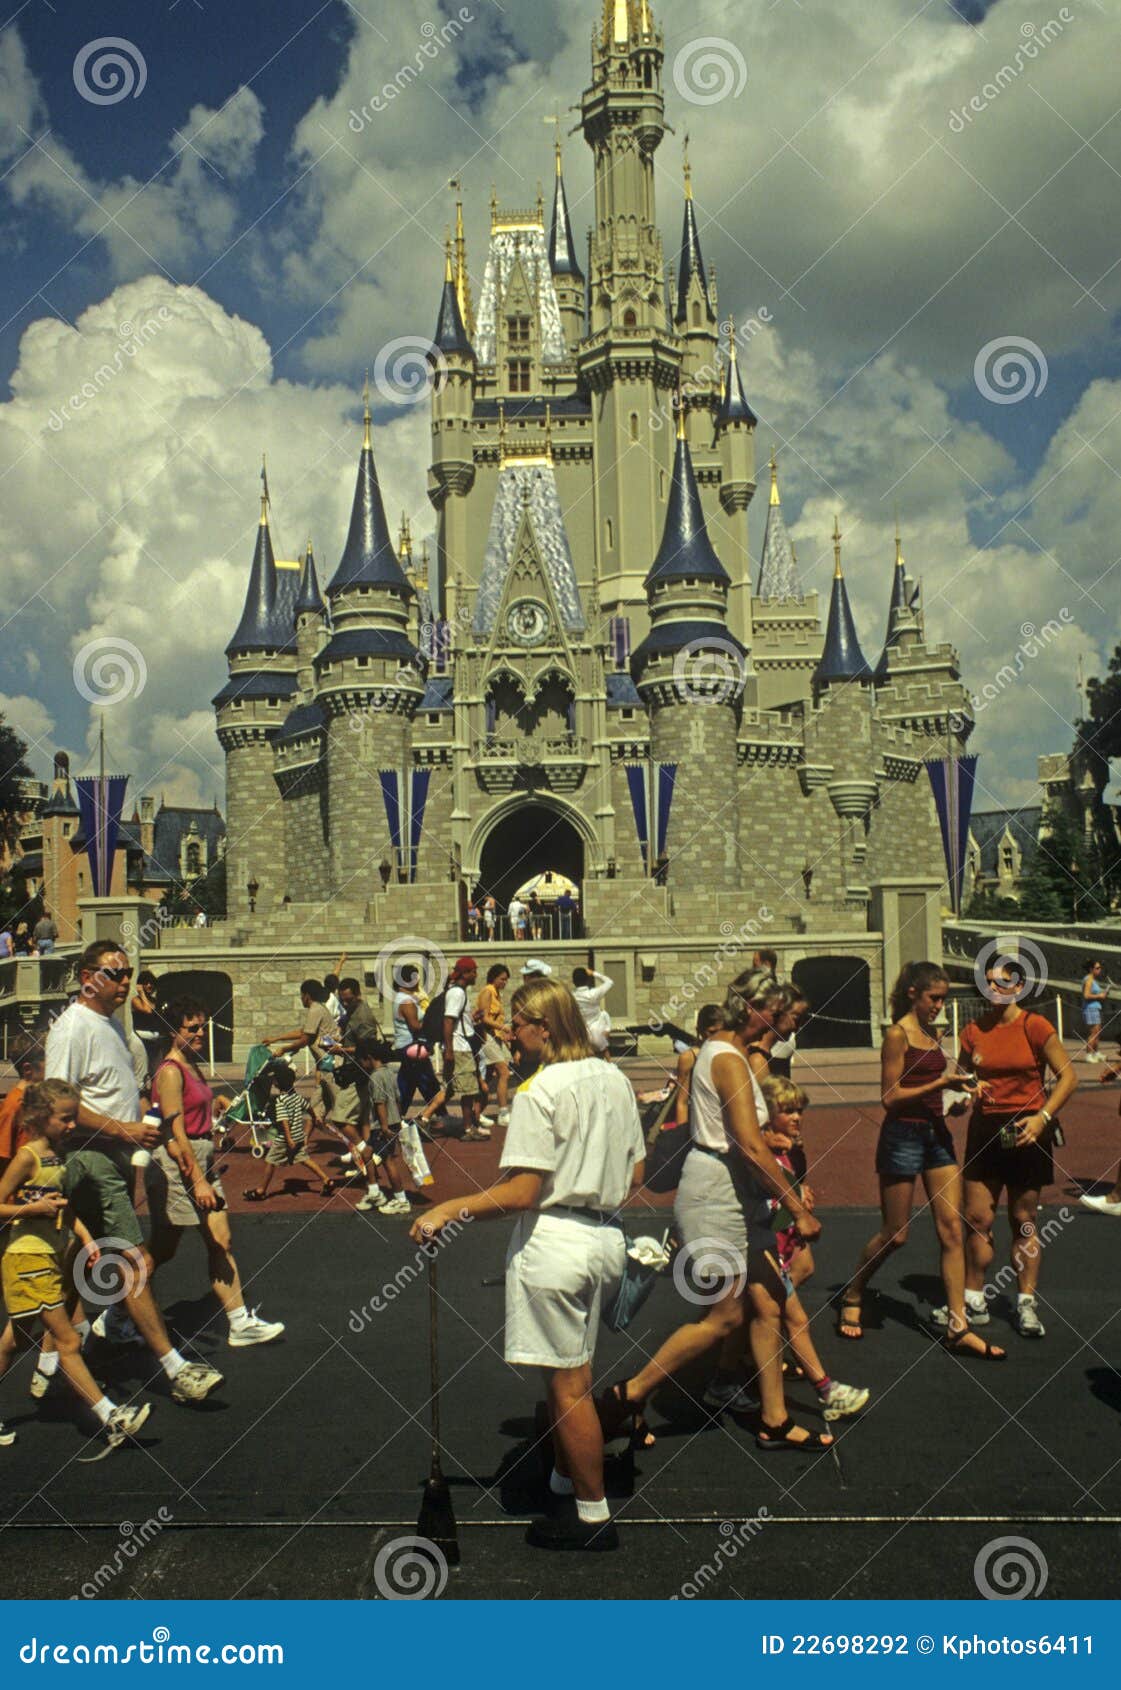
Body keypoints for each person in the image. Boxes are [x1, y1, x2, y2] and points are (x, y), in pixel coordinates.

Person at [411, 977, 647, 1553]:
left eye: (516, 1024)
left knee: (568, 1385)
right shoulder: (614, 1078)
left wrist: (449, 1207)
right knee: (572, 1371)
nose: (509, 1033)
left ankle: (592, 1517)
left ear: (544, 1027)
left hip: (558, 1243)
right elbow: (637, 1173)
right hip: (605, 1238)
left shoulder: (539, 1092)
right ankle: (565, 1481)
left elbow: (520, 1192)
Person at [601, 972, 830, 1454]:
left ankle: (774, 1418)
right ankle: (629, 1393)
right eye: (771, 1011)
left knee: (767, 1302)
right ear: (750, 1008)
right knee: (725, 1316)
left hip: (731, 1191)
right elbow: (745, 1143)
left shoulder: (727, 1055)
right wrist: (795, 1205)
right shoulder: (726, 1059)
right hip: (716, 1195)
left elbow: (741, 1135)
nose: (775, 1023)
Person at [46, 942, 223, 1403]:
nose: (125, 982)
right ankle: (175, 1367)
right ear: (89, 976)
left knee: (71, 1270)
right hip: (93, 1158)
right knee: (130, 1260)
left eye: (128, 974)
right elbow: (56, 1104)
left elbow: (109, 1089)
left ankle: (49, 1363)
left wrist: (139, 1118)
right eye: (115, 973)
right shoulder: (72, 1028)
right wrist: (121, 1128)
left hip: (119, 1156)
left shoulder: (110, 1025)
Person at [835, 962, 998, 1355]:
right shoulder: (897, 1034)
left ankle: (957, 1326)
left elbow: (932, 1095)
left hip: (935, 1133)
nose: (939, 1006)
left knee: (952, 1230)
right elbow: (889, 1097)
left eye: (943, 998)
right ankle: (853, 1293)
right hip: (902, 1135)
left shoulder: (931, 1032)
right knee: (896, 1234)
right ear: (913, 993)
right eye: (934, 998)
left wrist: (958, 1101)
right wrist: (941, 1081)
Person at [0, 1079, 152, 1450]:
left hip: (48, 1259)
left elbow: (61, 1207)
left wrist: (84, 1238)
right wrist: (32, 1209)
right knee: (68, 1339)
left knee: (13, 1341)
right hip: (26, 1259)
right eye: (65, 1119)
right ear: (39, 1117)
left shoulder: (57, 1157)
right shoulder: (27, 1157)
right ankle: (111, 1417)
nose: (72, 1126)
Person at [148, 998, 284, 1348]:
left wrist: (216, 1102)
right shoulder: (169, 1072)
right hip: (183, 1160)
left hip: (203, 1154)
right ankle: (119, 1312)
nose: (199, 1034)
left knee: (221, 1241)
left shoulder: (192, 1066)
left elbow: (195, 1106)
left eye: (202, 1028)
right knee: (163, 1249)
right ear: (172, 1031)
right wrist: (197, 1180)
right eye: (192, 1028)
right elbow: (175, 1131)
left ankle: (239, 1324)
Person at [956, 958, 1077, 1340]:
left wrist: (1042, 1117)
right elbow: (962, 1081)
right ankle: (973, 1296)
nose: (994, 990)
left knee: (1023, 1219)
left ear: (1018, 986)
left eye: (1002, 983)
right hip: (986, 1129)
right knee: (977, 1218)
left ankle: (1025, 1301)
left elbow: (1068, 1077)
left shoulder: (1034, 1026)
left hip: (1026, 1128)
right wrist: (960, 1096)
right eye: (988, 983)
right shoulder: (973, 1030)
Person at [244, 1061, 337, 1202]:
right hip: (298, 1136)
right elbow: (308, 1107)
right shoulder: (296, 1096)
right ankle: (327, 1180)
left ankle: (261, 1190)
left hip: (285, 1139)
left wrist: (288, 1139)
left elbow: (284, 1121)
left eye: (275, 1080)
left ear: (278, 1083)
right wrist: (315, 1117)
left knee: (270, 1161)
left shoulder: (281, 1101)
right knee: (305, 1159)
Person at [262, 979, 341, 1133]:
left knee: (341, 1110)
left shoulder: (315, 1010)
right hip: (325, 1068)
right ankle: (303, 1145)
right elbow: (303, 1032)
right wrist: (276, 1039)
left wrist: (284, 1049)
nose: (301, 998)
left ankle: (360, 1146)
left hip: (331, 1065)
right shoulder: (318, 1009)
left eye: (301, 995)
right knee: (316, 1109)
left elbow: (305, 1039)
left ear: (307, 995)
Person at [354, 1039, 411, 1215]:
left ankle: (401, 1200)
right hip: (392, 1121)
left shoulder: (375, 1076)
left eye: (362, 1060)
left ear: (369, 1058)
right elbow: (397, 1098)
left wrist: (385, 1126)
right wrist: (399, 1119)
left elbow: (380, 1103)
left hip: (382, 1125)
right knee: (367, 1152)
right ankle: (374, 1192)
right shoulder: (390, 1073)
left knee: (389, 1161)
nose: (361, 1064)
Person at [443, 957, 486, 1141]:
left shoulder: (460, 993)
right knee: (468, 1091)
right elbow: (448, 1020)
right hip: (460, 1047)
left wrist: (472, 1017)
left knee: (459, 1089)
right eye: (474, 971)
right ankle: (467, 1129)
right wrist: (450, 1050)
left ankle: (427, 1116)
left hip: (462, 1045)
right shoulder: (457, 993)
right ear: (466, 973)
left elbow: (458, 1020)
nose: (476, 975)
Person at [392, 963, 442, 1118]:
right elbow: (415, 1026)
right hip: (412, 1048)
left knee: (410, 1084)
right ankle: (441, 1116)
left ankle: (395, 1117)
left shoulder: (404, 998)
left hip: (411, 1048)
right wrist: (433, 1024)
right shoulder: (406, 1001)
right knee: (427, 1083)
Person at [0, 1032, 44, 1177]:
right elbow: (2, 1155)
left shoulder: (40, 1100)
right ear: (28, 1069)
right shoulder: (14, 1105)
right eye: (51, 1060)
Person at [476, 964, 512, 1128]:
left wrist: (503, 1035)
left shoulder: (497, 994)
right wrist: (502, 1028)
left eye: (506, 980)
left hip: (496, 1036)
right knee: (504, 1072)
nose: (504, 982)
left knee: (490, 1075)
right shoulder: (488, 991)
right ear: (494, 977)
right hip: (486, 1036)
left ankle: (476, 1112)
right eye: (502, 979)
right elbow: (484, 1018)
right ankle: (503, 1112)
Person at [572, 967, 613, 1056]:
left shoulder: (571, 997)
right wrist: (594, 973)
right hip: (598, 1032)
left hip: (580, 1034)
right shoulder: (594, 993)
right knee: (604, 1014)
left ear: (574, 982)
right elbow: (609, 982)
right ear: (587, 980)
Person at [130, 969, 162, 1082]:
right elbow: (147, 1010)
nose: (149, 985)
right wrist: (142, 993)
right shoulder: (135, 1000)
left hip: (155, 1040)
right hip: (141, 1039)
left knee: (157, 1072)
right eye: (146, 983)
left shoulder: (155, 1001)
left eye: (151, 983)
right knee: (142, 1072)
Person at [338, 978, 380, 1049]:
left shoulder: (363, 1017)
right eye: (342, 1000)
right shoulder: (352, 1010)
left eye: (349, 1000)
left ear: (358, 995)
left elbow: (369, 1049)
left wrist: (342, 1050)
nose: (345, 1004)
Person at [1081, 959, 1107, 1063]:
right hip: (1090, 1009)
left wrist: (1102, 994)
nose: (1099, 970)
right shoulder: (1088, 979)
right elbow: (1086, 995)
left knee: (1097, 1032)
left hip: (1095, 1008)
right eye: (1097, 968)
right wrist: (1099, 995)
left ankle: (1096, 1053)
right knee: (1093, 1033)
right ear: (1091, 969)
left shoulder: (1093, 980)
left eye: (1100, 968)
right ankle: (1088, 1054)